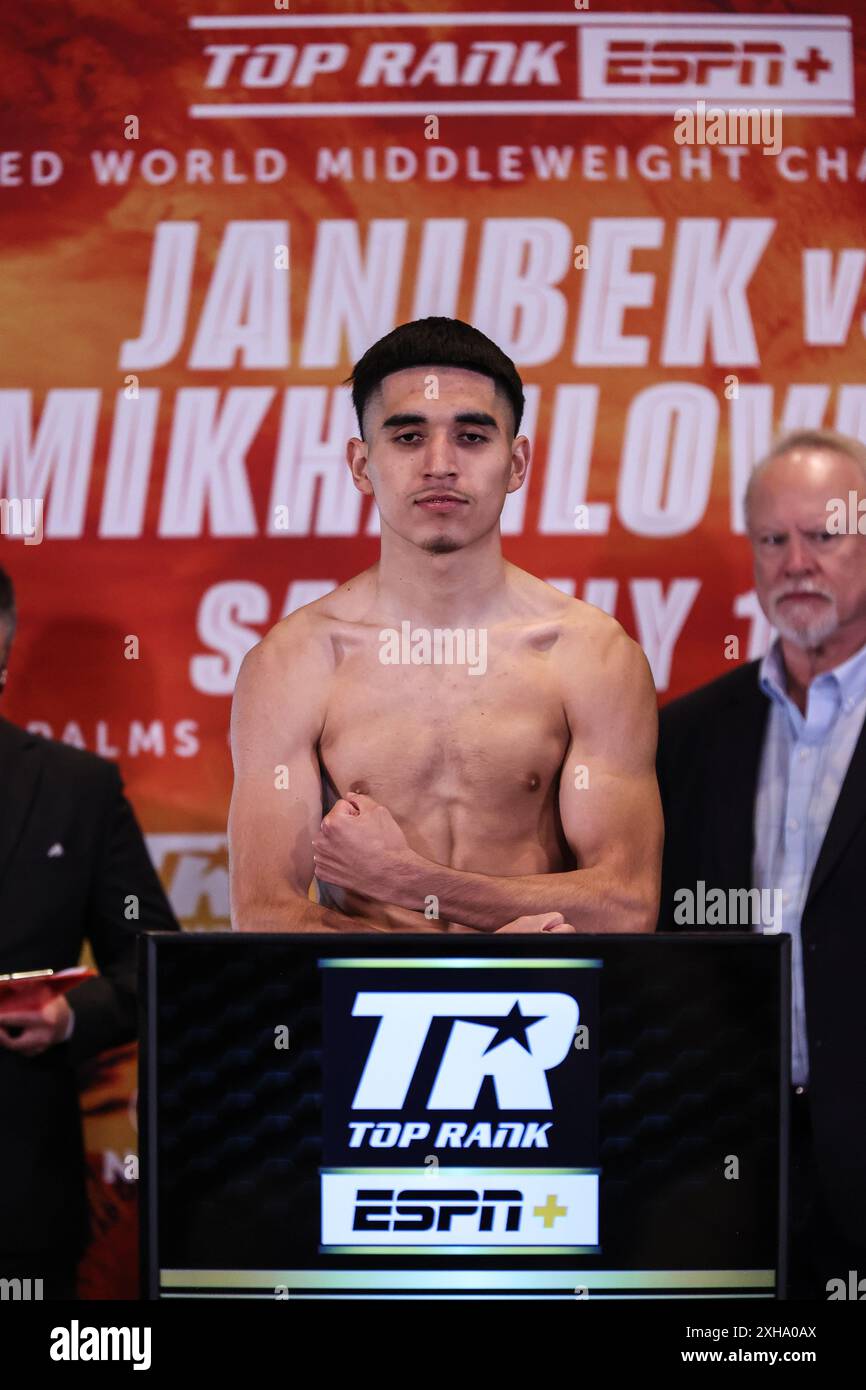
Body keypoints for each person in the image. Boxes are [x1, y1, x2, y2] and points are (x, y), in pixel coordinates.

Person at [228, 317, 662, 936]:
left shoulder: (591, 655)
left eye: (471, 437)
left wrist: (404, 880)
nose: (439, 464)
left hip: (538, 1021)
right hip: (365, 1022)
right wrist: (475, 963)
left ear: (516, 463)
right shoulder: (293, 662)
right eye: (407, 436)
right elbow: (265, 914)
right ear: (360, 463)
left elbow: (626, 904)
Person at [656, 428, 866, 1299]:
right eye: (773, 540)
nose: (796, 563)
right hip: (732, 1157)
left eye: (825, 535)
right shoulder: (685, 736)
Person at [0, 566, 180, 1299]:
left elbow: (153, 964)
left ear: (5, 650)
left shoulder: (76, 790)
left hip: (17, 1191)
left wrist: (70, 1016)